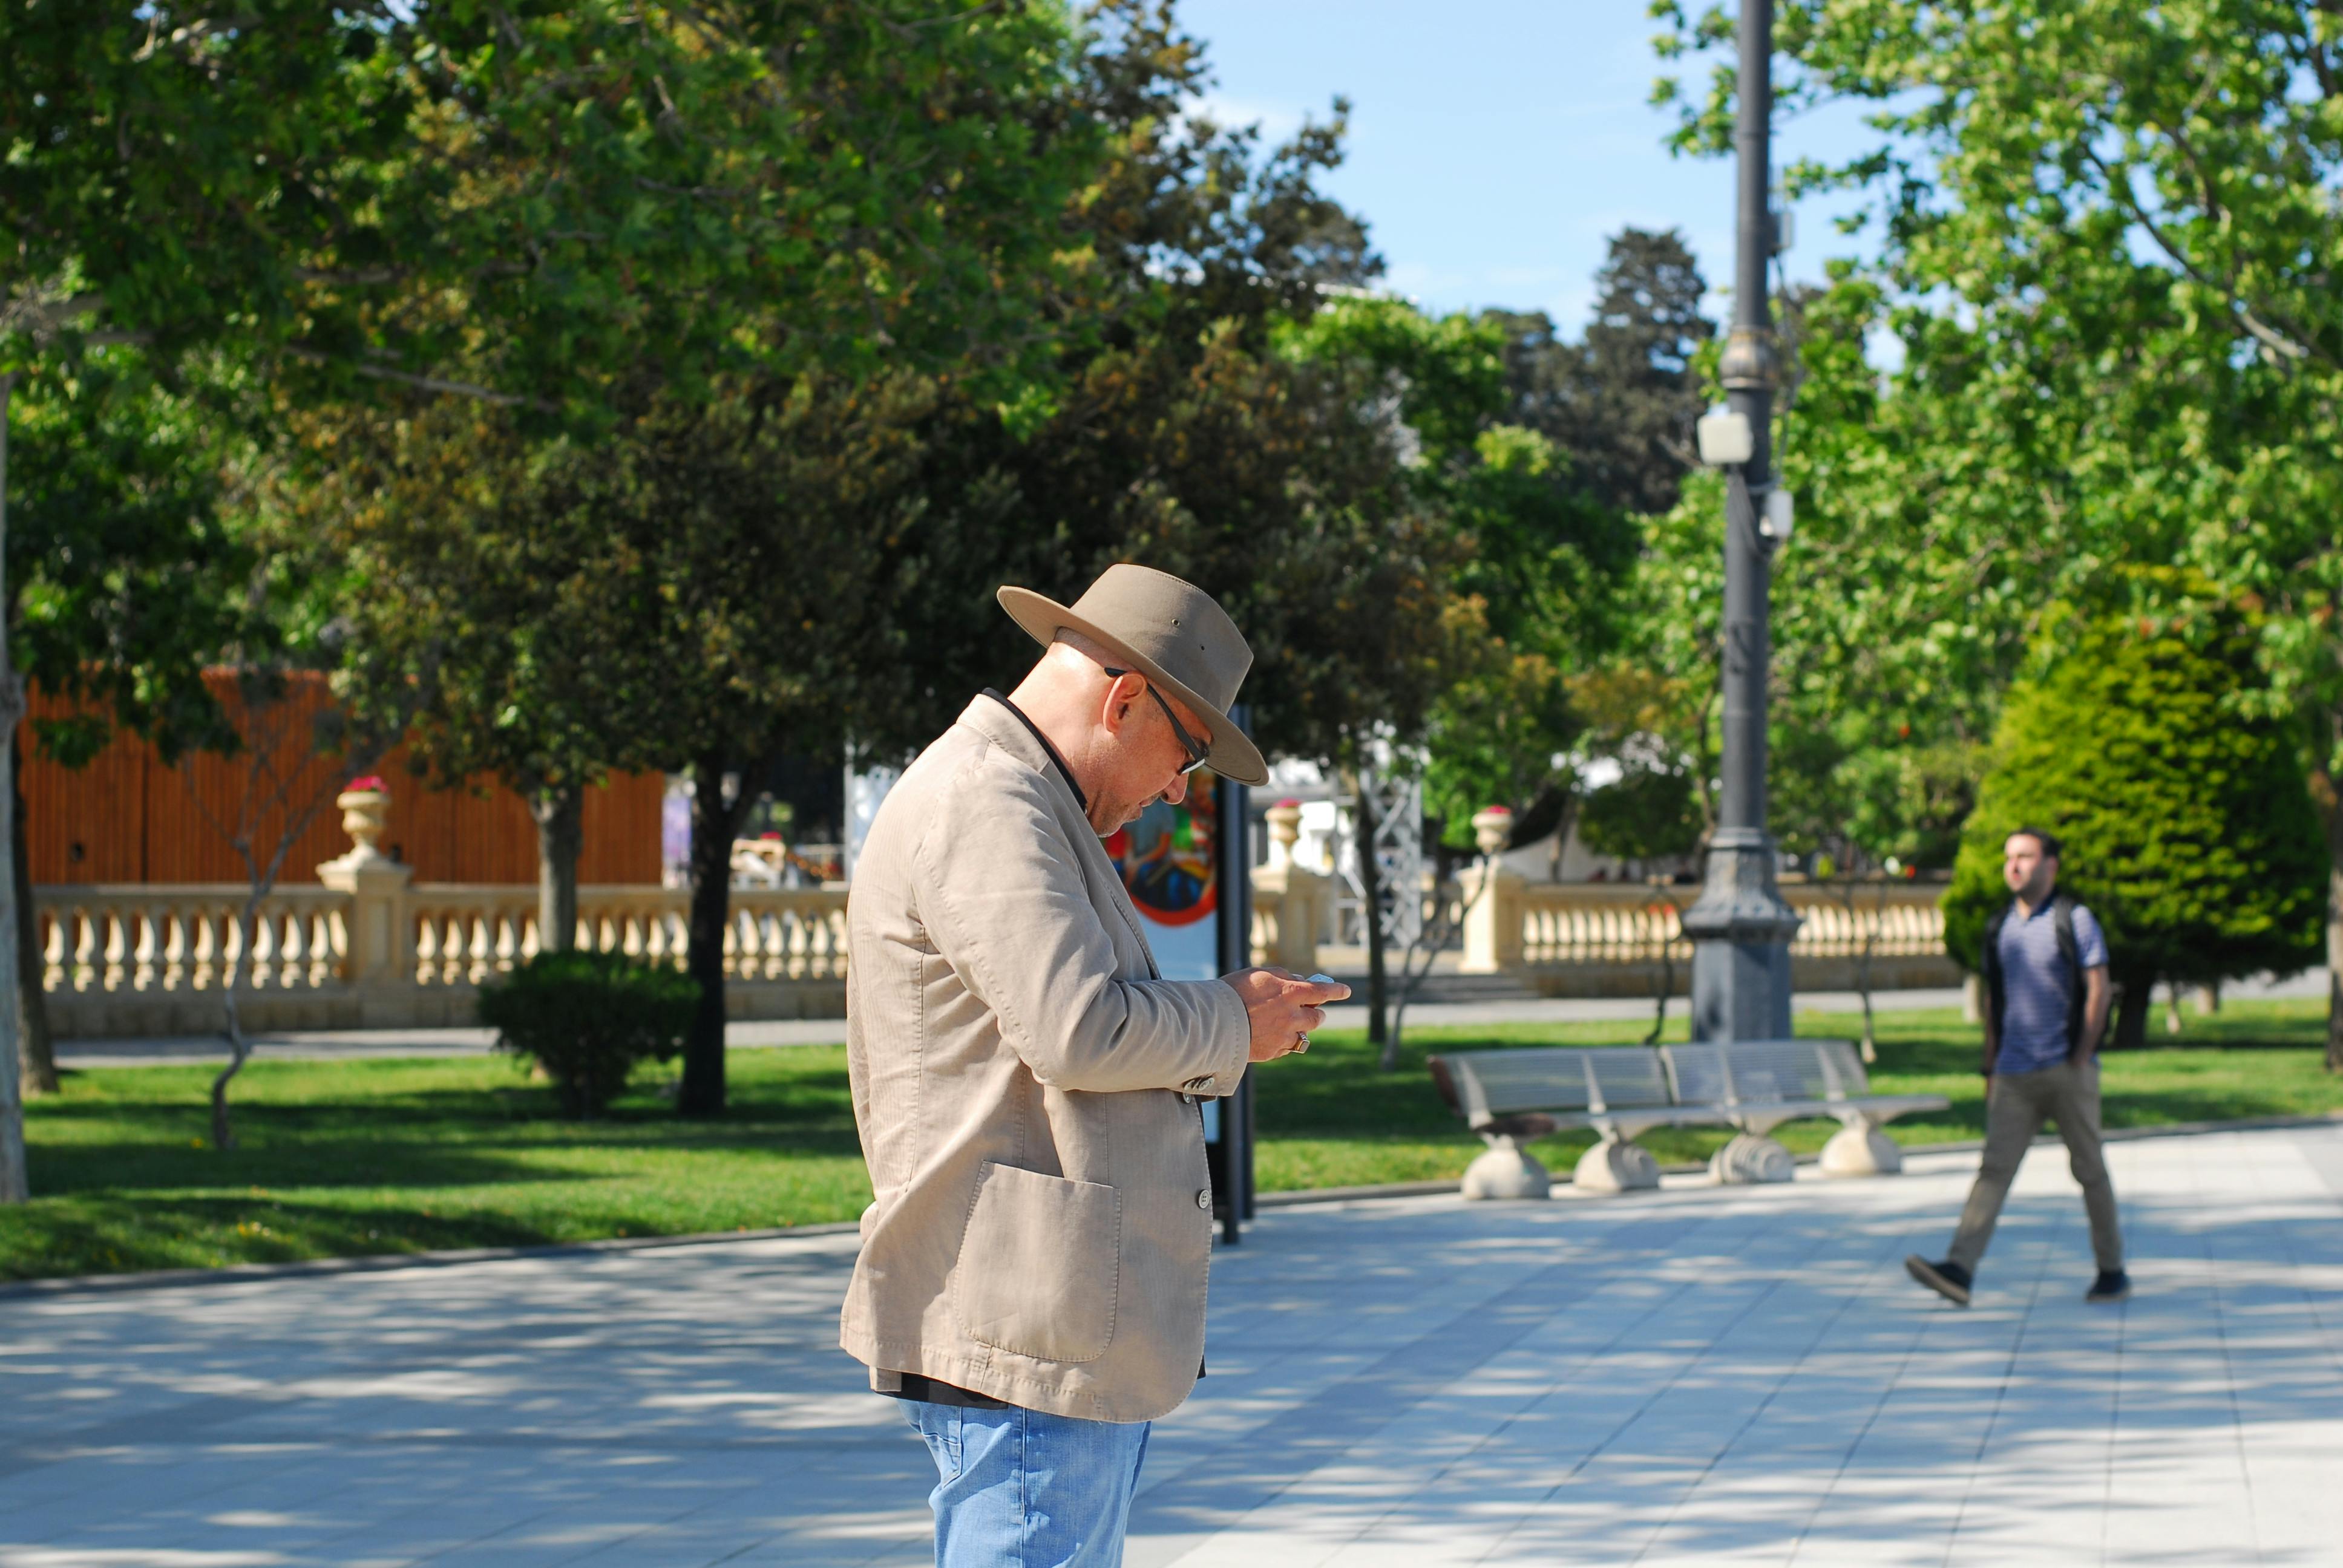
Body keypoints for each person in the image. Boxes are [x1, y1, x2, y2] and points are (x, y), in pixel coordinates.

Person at [839, 563, 1348, 1567]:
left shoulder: (1019, 797)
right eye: (1187, 754)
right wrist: (1231, 1022)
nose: (1177, 789)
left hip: (1045, 1318)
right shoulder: (988, 799)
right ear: (1124, 700)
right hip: (1025, 1327)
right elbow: (1077, 1028)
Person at [1907, 827, 2129, 1307]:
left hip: (2067, 1069)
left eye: (2025, 856)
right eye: (2009, 857)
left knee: (2090, 1170)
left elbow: (2098, 987)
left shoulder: (2075, 919)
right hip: (2013, 1072)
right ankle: (1959, 1269)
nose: (2014, 865)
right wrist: (1990, 1069)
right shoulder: (2000, 927)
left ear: (2051, 865)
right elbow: (1996, 1003)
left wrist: (2081, 1053)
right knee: (1994, 1170)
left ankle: (2112, 1271)